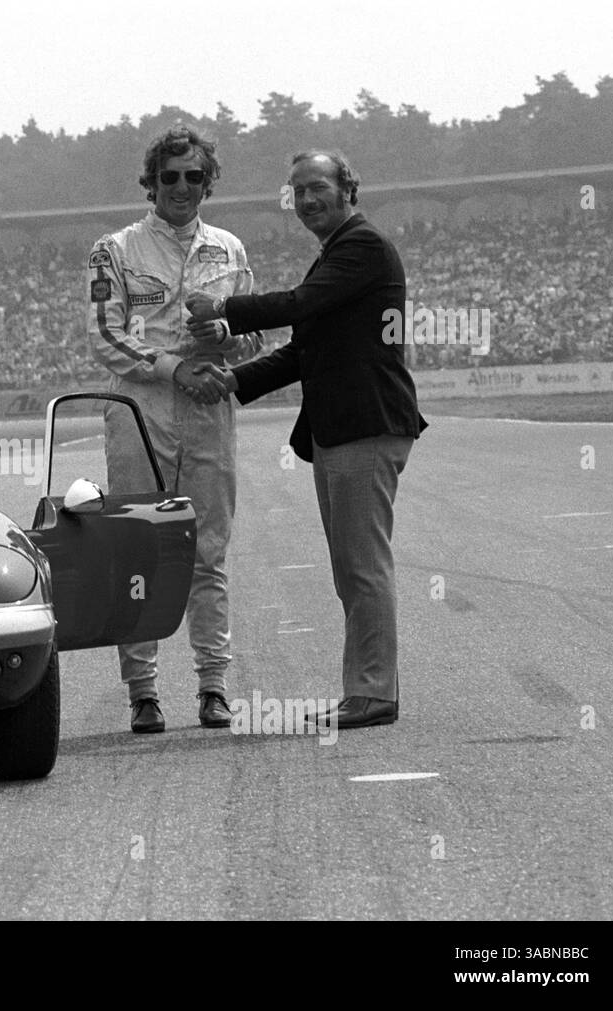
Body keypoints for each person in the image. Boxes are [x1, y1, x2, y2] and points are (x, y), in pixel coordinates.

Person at [189, 150, 427, 729]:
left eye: (317, 187)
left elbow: (300, 306)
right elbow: (304, 348)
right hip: (342, 428)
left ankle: (372, 693)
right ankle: (367, 690)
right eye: (297, 192)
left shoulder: (362, 247)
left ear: (349, 188)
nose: (307, 200)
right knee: (352, 566)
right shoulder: (337, 254)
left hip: (364, 425)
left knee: (362, 565)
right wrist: (233, 381)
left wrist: (224, 307)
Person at [86, 125, 265, 734]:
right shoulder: (114, 249)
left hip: (209, 408)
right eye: (170, 177)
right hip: (141, 410)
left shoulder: (229, 249)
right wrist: (172, 368)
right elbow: (105, 336)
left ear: (209, 182)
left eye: (194, 176)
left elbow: (255, 333)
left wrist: (227, 338)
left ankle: (214, 686)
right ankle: (142, 692)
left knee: (208, 551)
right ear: (150, 183)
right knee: (138, 548)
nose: (182, 187)